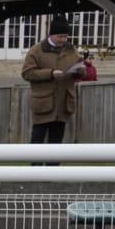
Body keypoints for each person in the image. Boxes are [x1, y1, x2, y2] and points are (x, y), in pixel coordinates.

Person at [21, 16, 84, 145]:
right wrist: (50, 73)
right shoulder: (36, 50)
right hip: (44, 104)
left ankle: (53, 165)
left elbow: (81, 68)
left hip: (63, 105)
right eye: (60, 36)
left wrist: (80, 71)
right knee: (37, 141)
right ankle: (35, 165)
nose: (63, 40)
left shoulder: (72, 50)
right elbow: (27, 73)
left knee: (56, 143)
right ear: (51, 34)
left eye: (65, 36)